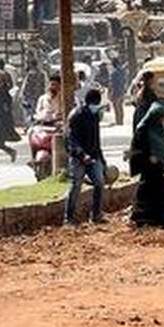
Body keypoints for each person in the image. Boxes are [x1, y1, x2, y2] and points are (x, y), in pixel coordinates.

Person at [129, 72, 164, 228]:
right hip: (149, 154)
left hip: (148, 153)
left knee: (149, 185)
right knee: (153, 186)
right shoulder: (149, 107)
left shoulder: (142, 103)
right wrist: (152, 155)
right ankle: (155, 218)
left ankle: (145, 218)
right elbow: (144, 132)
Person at [65, 88, 108, 225]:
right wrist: (82, 154)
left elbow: (96, 140)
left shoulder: (94, 116)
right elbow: (71, 139)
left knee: (99, 182)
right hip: (78, 158)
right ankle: (68, 218)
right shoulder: (76, 115)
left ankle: (96, 215)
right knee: (75, 186)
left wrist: (102, 160)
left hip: (94, 156)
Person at [108, 57, 127, 125]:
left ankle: (118, 121)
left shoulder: (114, 72)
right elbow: (124, 81)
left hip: (116, 92)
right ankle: (121, 121)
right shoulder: (122, 71)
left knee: (116, 107)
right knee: (120, 107)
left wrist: (110, 92)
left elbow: (112, 84)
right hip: (121, 91)